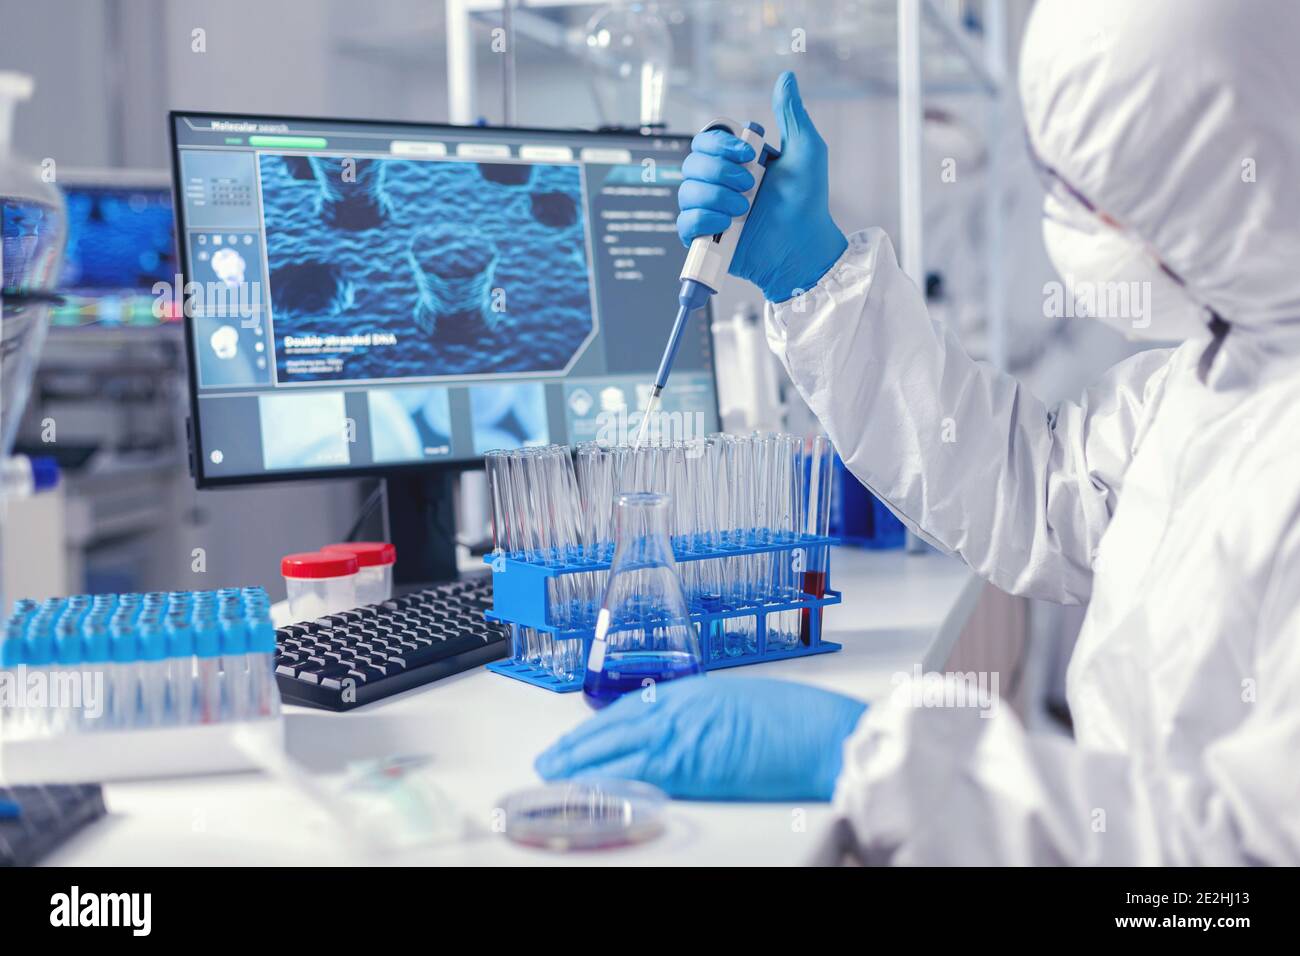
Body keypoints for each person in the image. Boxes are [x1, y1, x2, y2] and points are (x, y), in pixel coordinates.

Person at [536, 0, 1300, 864]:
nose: (1073, 230)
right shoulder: (1225, 365)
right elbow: (1036, 488)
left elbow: (1235, 863)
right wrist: (813, 278)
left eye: (1097, 204)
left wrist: (873, 756)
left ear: (1235, 190)